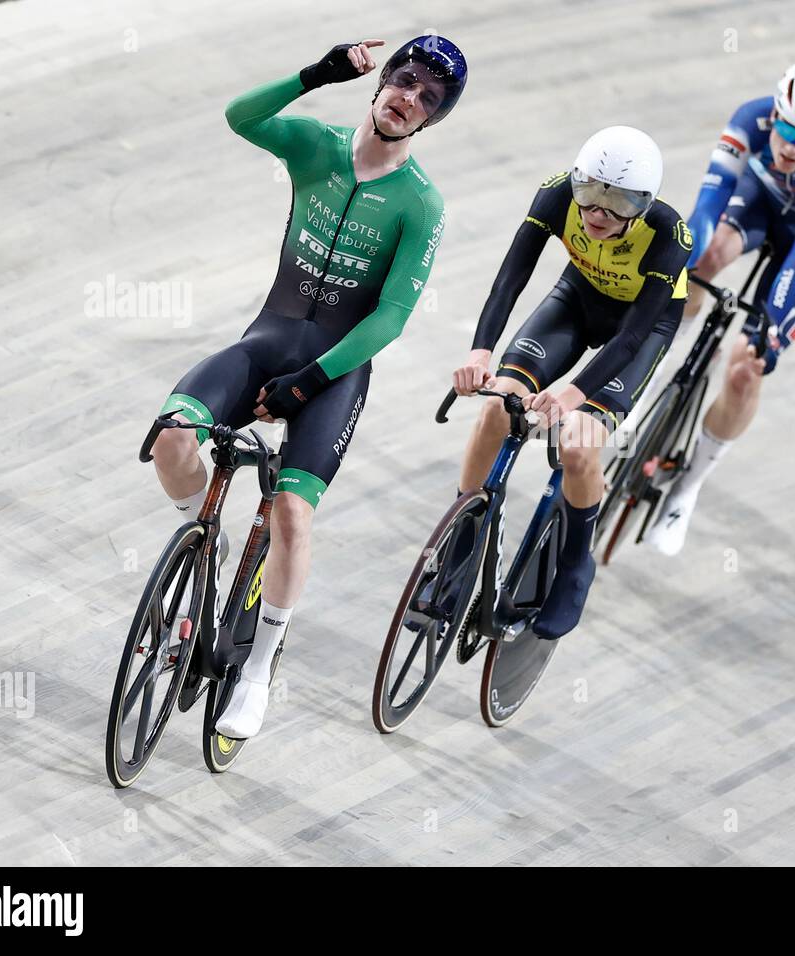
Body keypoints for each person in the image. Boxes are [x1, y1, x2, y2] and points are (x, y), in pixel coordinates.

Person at [149, 36, 466, 738]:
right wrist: (314, 75)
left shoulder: (421, 204)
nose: (409, 97)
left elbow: (390, 319)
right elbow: (241, 117)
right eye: (405, 80)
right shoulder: (314, 146)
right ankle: (200, 541)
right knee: (173, 438)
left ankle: (259, 666)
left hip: (333, 375)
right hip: (266, 341)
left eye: (428, 98)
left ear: (431, 119)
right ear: (383, 80)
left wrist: (307, 384)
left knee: (292, 512)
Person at [450, 126, 692, 639]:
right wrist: (480, 351)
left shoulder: (670, 237)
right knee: (498, 409)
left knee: (580, 444)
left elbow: (628, 340)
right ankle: (460, 537)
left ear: (644, 206)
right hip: (575, 302)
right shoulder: (557, 194)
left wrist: (574, 393)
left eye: (619, 200)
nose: (598, 213)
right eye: (590, 194)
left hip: (639, 329)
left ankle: (576, 565)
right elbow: (509, 279)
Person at [645, 59, 795, 555]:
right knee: (699, 258)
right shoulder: (751, 118)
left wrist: (770, 326)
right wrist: (674, 262)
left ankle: (686, 490)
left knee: (747, 367)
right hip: (760, 203)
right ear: (776, 111)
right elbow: (706, 208)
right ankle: (653, 370)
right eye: (788, 128)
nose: (792, 145)